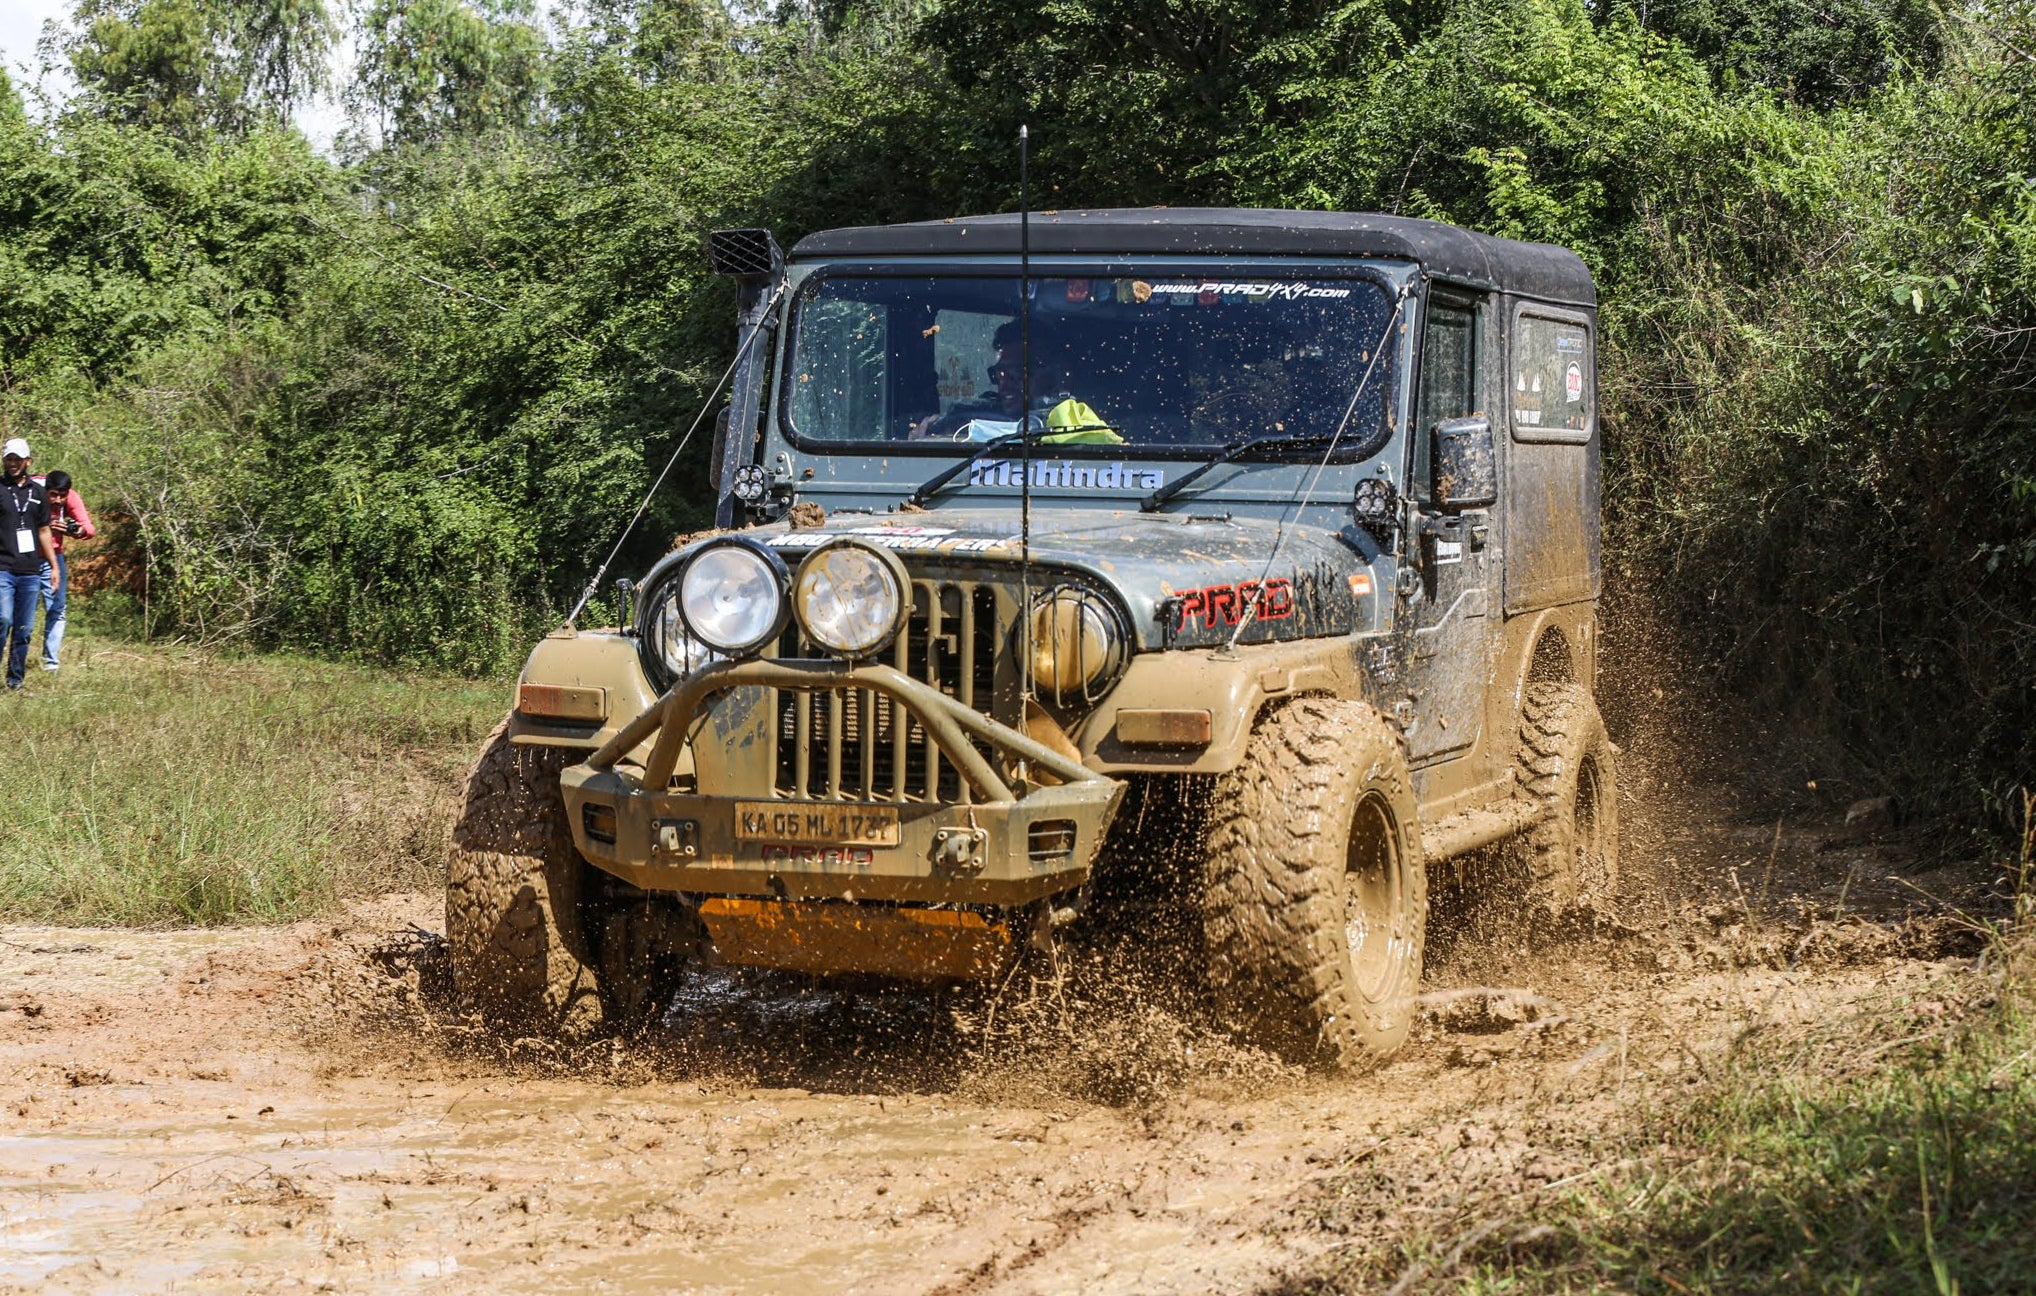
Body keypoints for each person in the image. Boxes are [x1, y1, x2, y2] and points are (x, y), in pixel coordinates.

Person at [912, 322, 1122, 444]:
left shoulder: (1082, 427)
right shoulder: (969, 420)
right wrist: (926, 438)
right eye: (1000, 373)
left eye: (1018, 372)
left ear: (1061, 377)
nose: (1004, 383)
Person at [0, 438, 57, 692]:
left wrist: (54, 566)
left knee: (24, 629)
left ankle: (15, 682)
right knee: (3, 619)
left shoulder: (38, 493)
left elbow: (44, 530)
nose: (12, 463)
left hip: (30, 571)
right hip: (2, 568)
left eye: (17, 459)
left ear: (28, 461)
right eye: (8, 459)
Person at [33, 469, 94, 672]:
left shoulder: (71, 498)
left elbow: (88, 528)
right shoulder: (31, 493)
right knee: (21, 611)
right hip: (24, 558)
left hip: (53, 557)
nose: (58, 500)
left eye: (62, 495)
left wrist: (74, 531)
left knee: (57, 609)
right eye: (53, 495)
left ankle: (50, 662)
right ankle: (15, 657)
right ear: (45, 491)